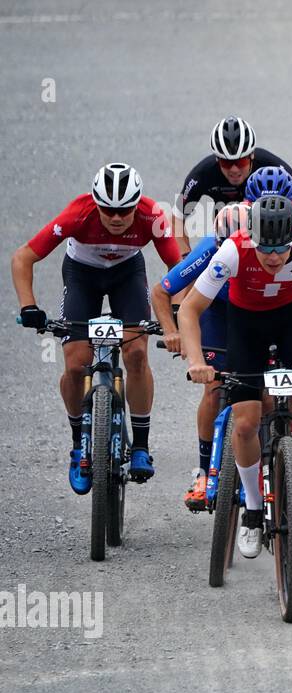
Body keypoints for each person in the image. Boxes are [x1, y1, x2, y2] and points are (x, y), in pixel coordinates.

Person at [179, 196, 292, 558]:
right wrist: (196, 360)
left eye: (282, 248)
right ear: (252, 238)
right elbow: (190, 308)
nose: (274, 257)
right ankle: (251, 508)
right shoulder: (232, 252)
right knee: (246, 422)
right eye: (266, 248)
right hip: (246, 326)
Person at [152, 203, 292, 509]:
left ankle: (285, 465)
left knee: (271, 396)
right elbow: (167, 292)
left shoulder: (274, 257)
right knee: (213, 391)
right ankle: (203, 470)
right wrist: (177, 336)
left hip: (262, 314)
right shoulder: (216, 252)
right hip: (221, 316)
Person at [13, 162, 181, 492]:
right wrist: (28, 306)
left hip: (127, 274)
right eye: (107, 210)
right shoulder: (78, 214)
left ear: (137, 204)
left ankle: (141, 446)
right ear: (95, 203)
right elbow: (23, 257)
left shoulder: (152, 217)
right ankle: (79, 447)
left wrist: (175, 310)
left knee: (135, 353)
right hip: (82, 276)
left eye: (124, 210)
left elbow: (178, 267)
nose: (116, 217)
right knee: (76, 364)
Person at [174, 115, 292, 256]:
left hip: (272, 245)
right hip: (227, 239)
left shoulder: (272, 166)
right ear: (217, 159)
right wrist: (184, 257)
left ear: (251, 156)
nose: (234, 170)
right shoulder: (203, 173)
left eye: (241, 162)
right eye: (226, 163)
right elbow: (176, 218)